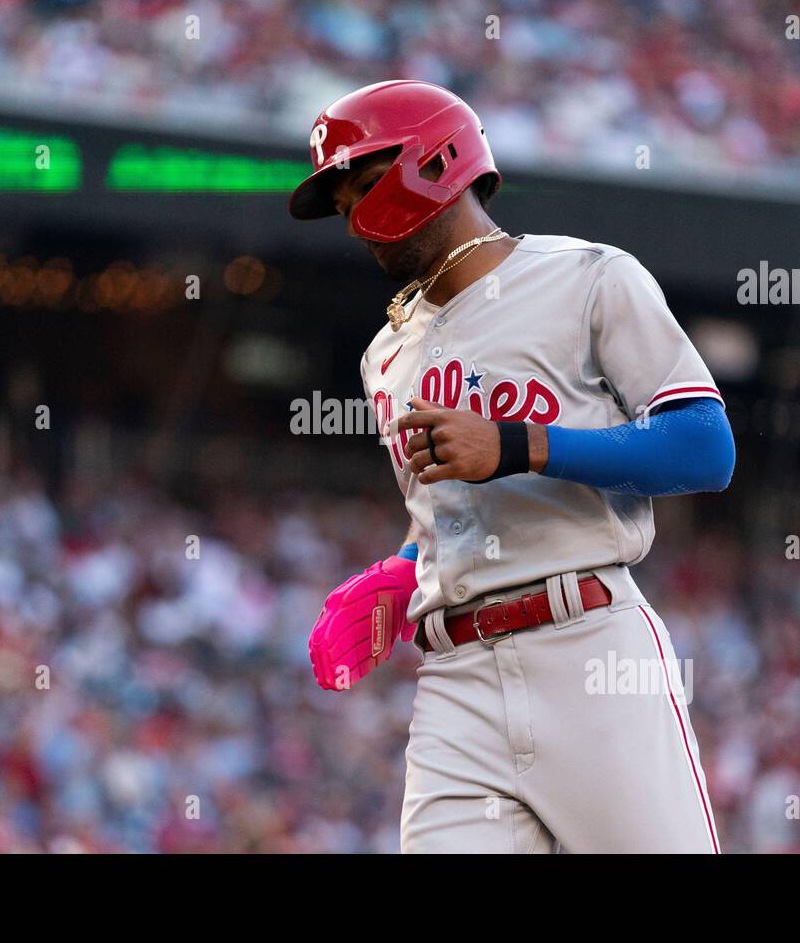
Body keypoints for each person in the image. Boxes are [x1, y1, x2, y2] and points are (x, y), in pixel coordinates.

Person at [290, 80, 735, 853]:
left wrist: (523, 444)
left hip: (589, 647)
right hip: (454, 681)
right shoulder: (385, 356)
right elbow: (446, 509)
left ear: (435, 159)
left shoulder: (589, 276)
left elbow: (705, 445)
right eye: (343, 206)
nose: (356, 221)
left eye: (364, 186)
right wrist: (403, 571)